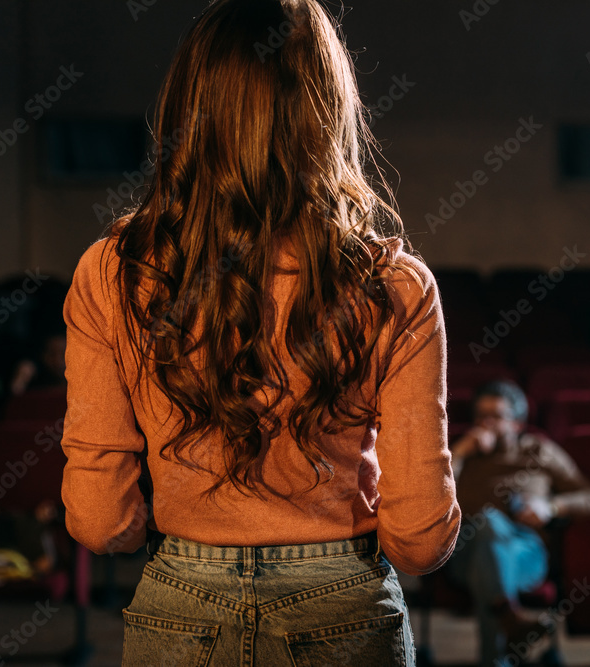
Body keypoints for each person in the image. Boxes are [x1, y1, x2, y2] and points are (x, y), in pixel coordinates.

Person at [59, 1, 460, 665]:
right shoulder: (396, 286)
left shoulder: (111, 270)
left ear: (191, 106)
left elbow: (99, 521)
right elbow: (420, 541)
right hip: (344, 610)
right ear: (327, 109)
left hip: (178, 614)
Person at [446, 380, 590, 667]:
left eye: (497, 416)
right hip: (465, 552)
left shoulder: (539, 451)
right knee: (488, 525)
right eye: (481, 416)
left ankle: (499, 639)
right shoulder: (463, 455)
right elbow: (433, 498)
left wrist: (552, 506)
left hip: (526, 553)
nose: (487, 424)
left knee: (491, 556)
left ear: (517, 424)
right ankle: (509, 619)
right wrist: (460, 452)